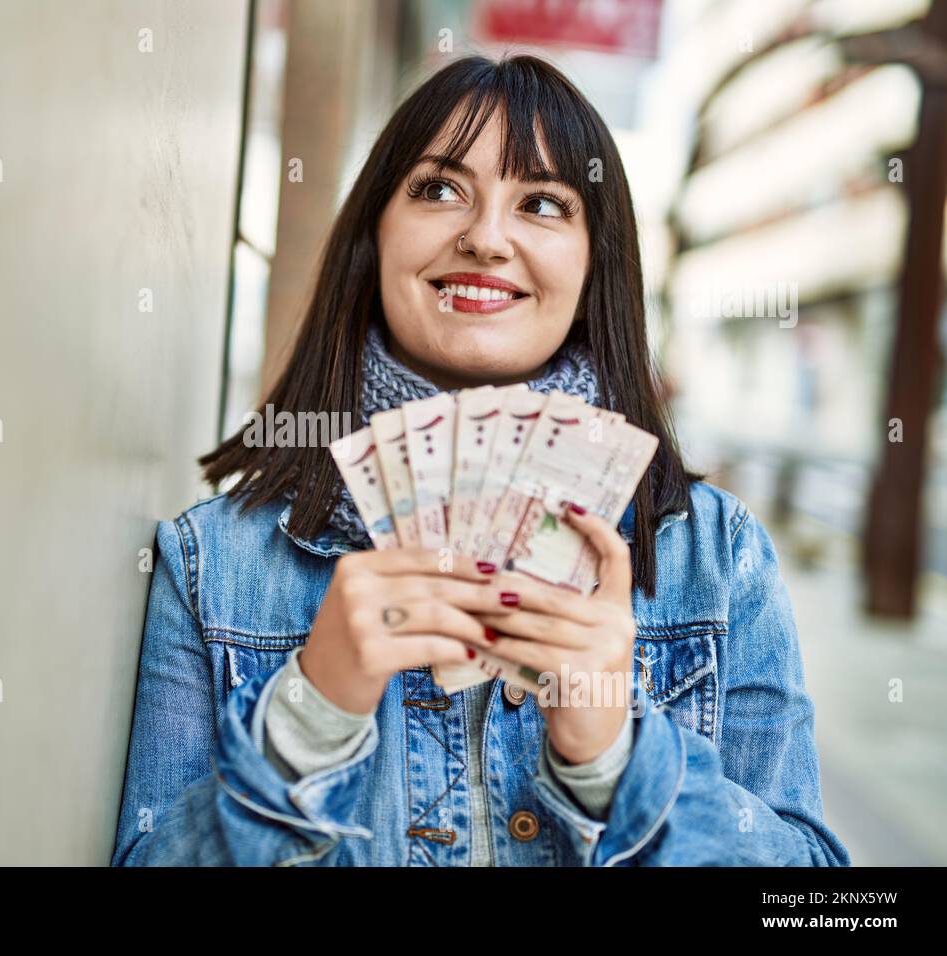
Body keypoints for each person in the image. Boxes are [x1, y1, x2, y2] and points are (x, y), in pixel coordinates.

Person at [110, 53, 850, 866]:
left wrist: (617, 759)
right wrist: (309, 718)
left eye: (541, 203)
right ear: (373, 235)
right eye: (437, 189)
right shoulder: (211, 561)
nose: (485, 237)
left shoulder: (714, 557)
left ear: (594, 263)